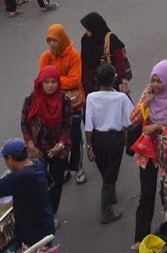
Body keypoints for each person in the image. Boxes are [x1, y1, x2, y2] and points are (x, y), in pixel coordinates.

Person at [131, 60, 167, 250]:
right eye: (153, 80)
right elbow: (133, 118)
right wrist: (145, 102)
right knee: (146, 194)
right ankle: (141, 238)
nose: (155, 85)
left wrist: (158, 127)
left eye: (159, 81)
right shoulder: (148, 95)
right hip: (147, 152)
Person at [21, 66, 75, 212]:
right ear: (40, 83)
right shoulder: (31, 100)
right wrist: (30, 144)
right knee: (38, 182)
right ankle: (42, 211)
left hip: (58, 150)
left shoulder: (64, 100)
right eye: (46, 82)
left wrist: (62, 143)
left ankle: (52, 212)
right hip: (37, 149)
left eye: (53, 82)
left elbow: (68, 125)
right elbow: (25, 124)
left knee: (56, 183)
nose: (50, 85)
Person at [84, 62, 132, 224]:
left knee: (105, 169)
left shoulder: (91, 97)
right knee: (111, 174)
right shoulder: (121, 97)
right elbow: (131, 119)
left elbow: (88, 125)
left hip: (97, 139)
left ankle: (110, 195)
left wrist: (89, 146)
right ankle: (106, 211)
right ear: (113, 79)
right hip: (114, 139)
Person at [39, 23, 86, 184]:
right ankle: (64, 167)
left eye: (55, 40)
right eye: (49, 41)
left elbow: (75, 79)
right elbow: (42, 80)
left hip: (73, 105)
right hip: (53, 107)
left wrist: (53, 80)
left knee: (75, 137)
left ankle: (78, 167)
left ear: (62, 39)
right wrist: (56, 81)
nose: (52, 44)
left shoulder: (73, 55)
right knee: (58, 139)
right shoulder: (46, 57)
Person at [80, 11, 131, 94]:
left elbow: (119, 61)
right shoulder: (85, 40)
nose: (86, 31)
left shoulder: (111, 39)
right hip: (91, 84)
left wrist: (124, 82)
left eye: (88, 29)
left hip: (110, 83)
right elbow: (84, 63)